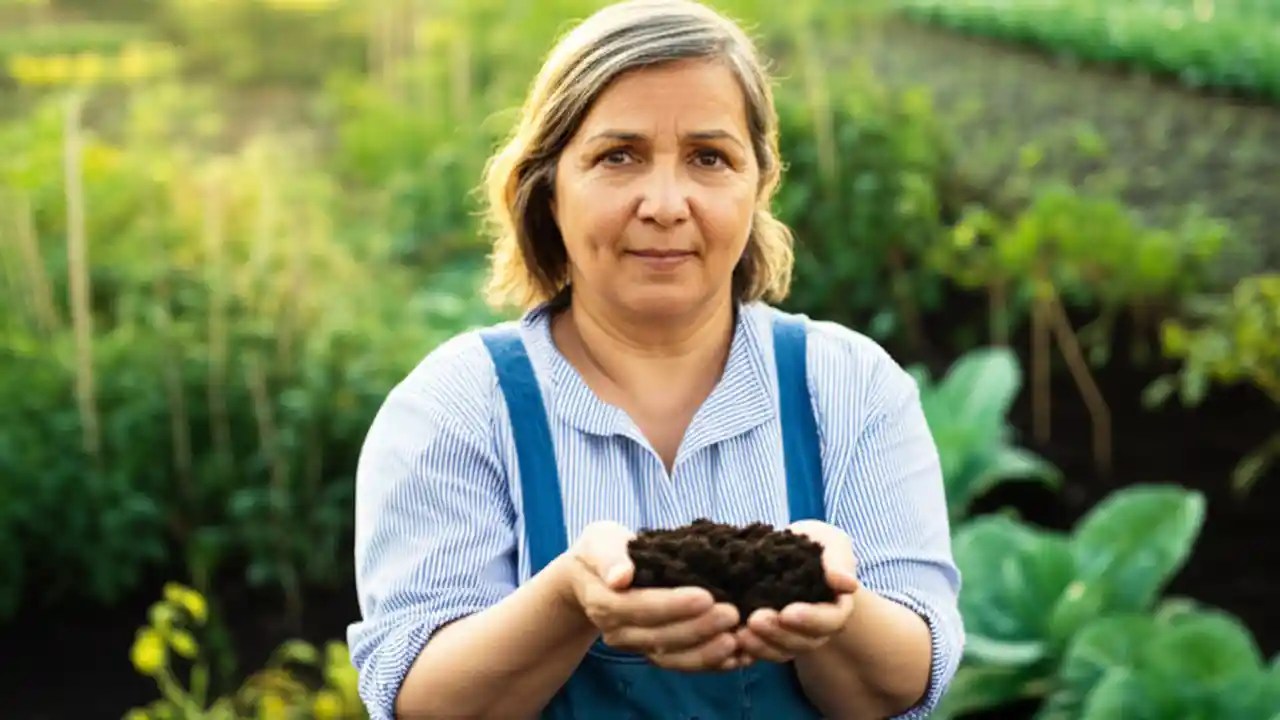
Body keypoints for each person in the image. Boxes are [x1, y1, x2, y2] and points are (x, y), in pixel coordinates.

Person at [346, 0, 964, 717]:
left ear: (758, 184)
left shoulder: (851, 387)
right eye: (618, 157)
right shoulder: (457, 407)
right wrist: (568, 597)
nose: (666, 204)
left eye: (710, 157)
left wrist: (831, 601)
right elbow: (425, 701)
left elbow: (901, 682)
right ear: (547, 188)